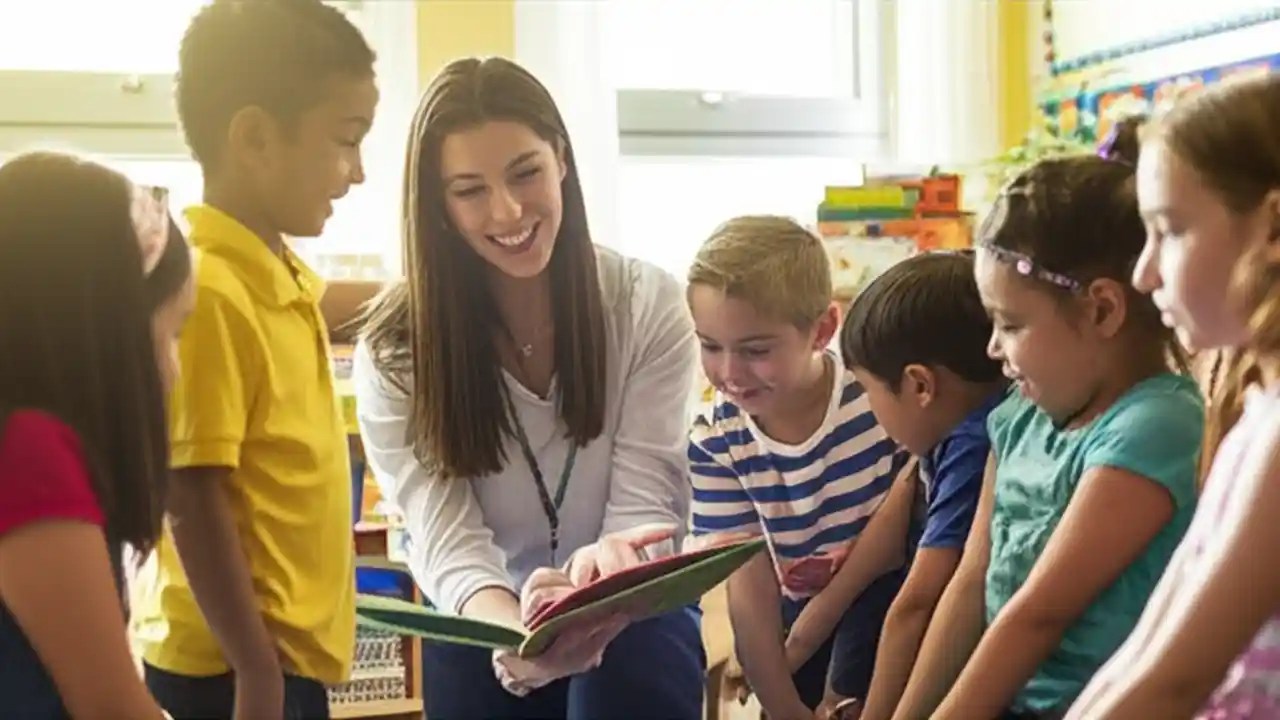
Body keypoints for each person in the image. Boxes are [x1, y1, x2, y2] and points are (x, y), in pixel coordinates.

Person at [353, 56, 705, 720]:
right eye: (469, 190)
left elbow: (646, 499)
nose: (508, 210)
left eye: (525, 173)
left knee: (635, 668)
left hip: (626, 608)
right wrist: (516, 632)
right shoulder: (397, 351)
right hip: (481, 611)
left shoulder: (644, 304)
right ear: (438, 205)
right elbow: (442, 533)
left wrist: (596, 592)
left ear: (563, 161)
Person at [128, 1, 379, 718]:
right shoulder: (211, 290)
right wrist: (254, 669)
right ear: (255, 137)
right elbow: (192, 493)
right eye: (345, 140)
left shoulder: (275, 275)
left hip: (278, 661)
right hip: (234, 669)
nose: (357, 172)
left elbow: (350, 304)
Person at [893, 153, 1204, 720]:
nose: (992, 348)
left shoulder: (1156, 424)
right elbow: (969, 586)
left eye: (1009, 324)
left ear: (1101, 310)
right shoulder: (1018, 418)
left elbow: (1040, 613)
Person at [1066, 73, 1280, 720]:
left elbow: (1175, 680)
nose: (1143, 272)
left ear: (1273, 225)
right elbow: (1149, 645)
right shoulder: (1255, 415)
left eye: (1170, 231)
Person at [685, 215, 911, 720]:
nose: (729, 373)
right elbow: (749, 589)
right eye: (710, 345)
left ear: (822, 330)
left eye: (755, 350)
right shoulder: (716, 441)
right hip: (794, 614)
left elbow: (899, 536)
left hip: (886, 598)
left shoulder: (875, 398)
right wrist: (782, 704)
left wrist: (810, 636)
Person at [0, 151, 192, 719]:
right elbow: (111, 707)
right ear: (106, 327)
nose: (175, 367)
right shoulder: (27, 452)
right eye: (172, 332)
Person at [840, 251, 1008, 720]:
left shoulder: (971, 446)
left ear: (919, 386)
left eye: (865, 390)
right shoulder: (951, 442)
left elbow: (917, 605)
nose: (871, 412)